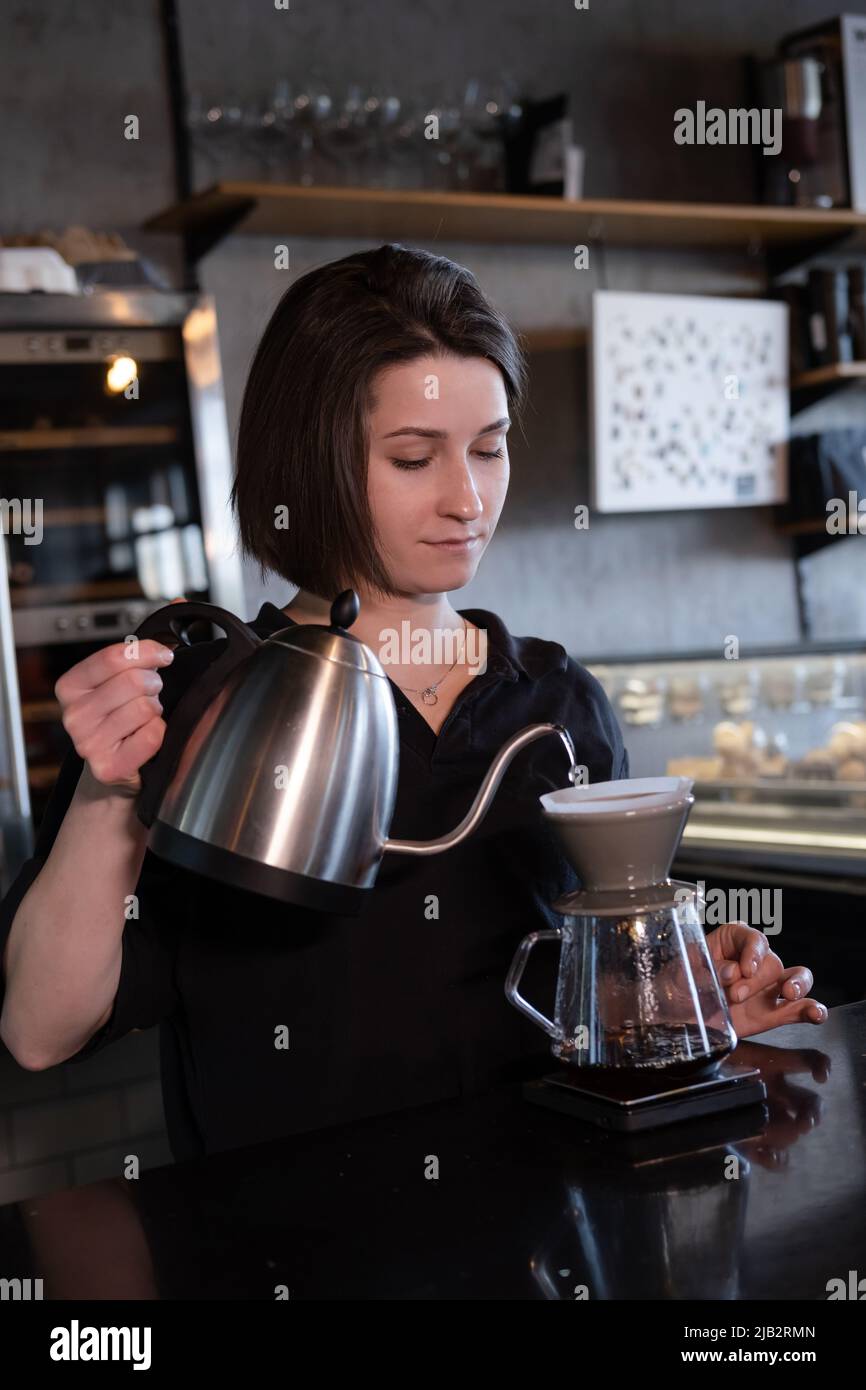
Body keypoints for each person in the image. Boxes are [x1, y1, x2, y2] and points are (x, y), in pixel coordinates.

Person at [0, 245, 826, 1163]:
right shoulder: (209, 699)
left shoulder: (557, 705)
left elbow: (584, 1009)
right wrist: (107, 792)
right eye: (412, 457)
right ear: (313, 463)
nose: (466, 499)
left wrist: (687, 1004)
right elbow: (42, 1032)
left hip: (541, 1236)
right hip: (286, 1251)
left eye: (490, 447)